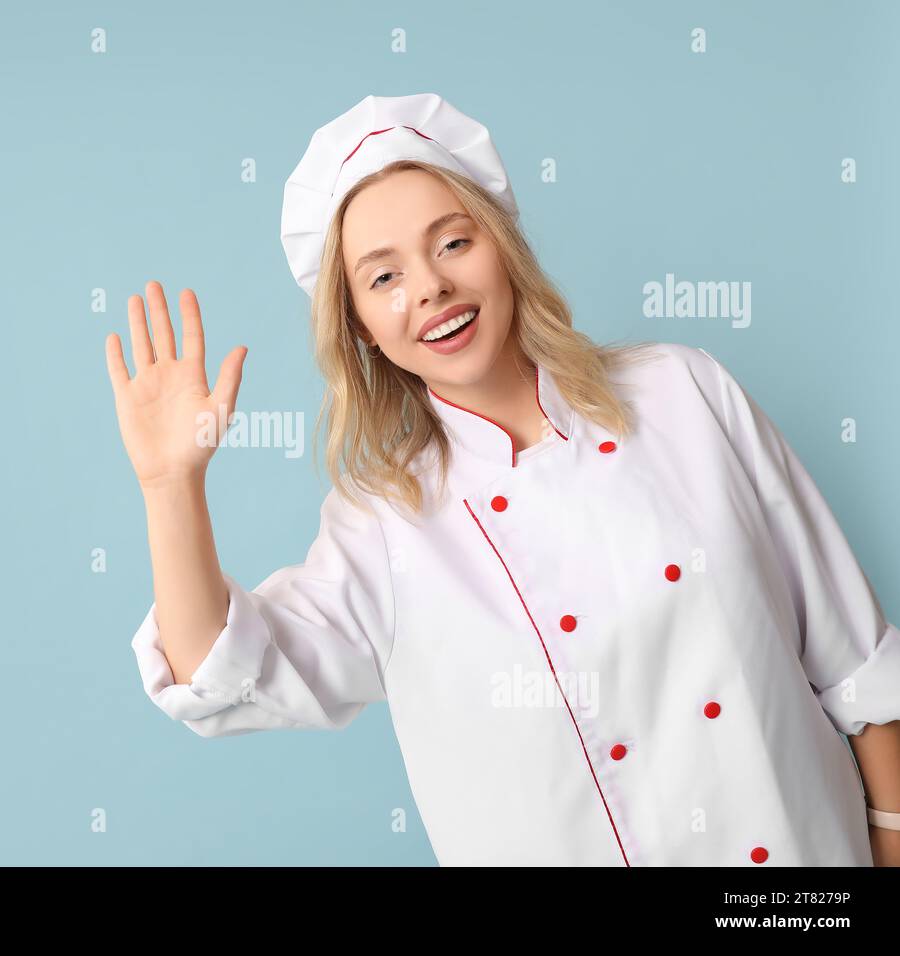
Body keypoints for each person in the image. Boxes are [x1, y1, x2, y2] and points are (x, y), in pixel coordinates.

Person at [104, 93, 900, 866]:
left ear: (504, 249)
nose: (428, 288)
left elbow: (859, 664)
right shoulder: (383, 520)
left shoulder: (684, 393)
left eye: (452, 243)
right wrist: (171, 487)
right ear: (362, 332)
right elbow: (221, 676)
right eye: (382, 279)